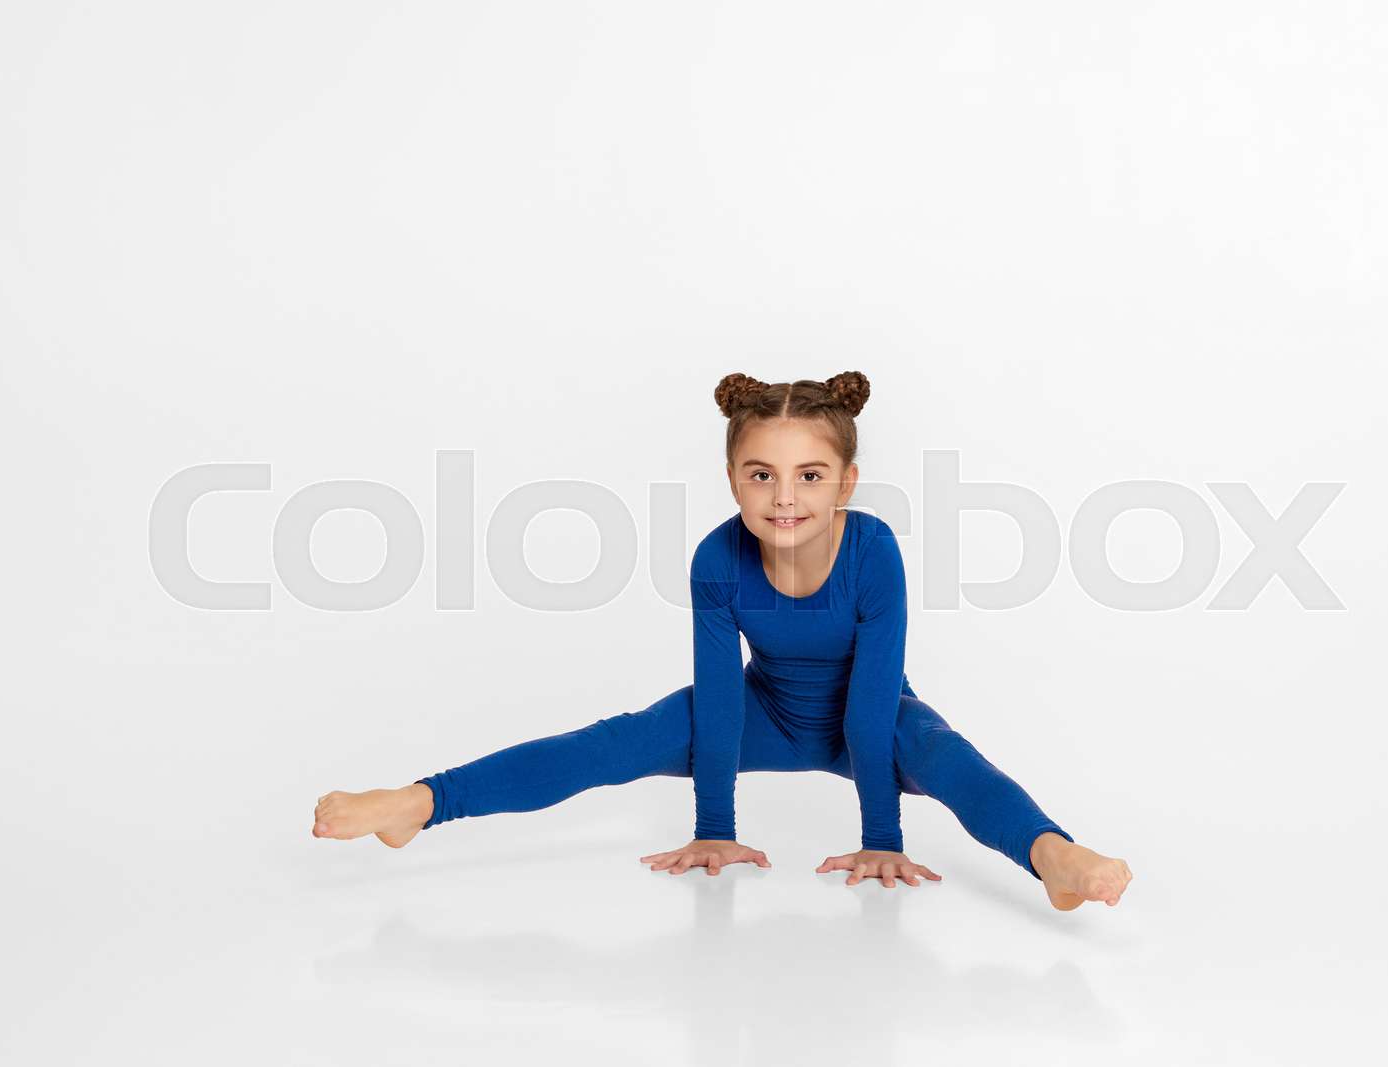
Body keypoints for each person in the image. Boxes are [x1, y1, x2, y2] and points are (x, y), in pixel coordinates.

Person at [312, 372, 1133, 909]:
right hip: (761, 713)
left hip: (876, 723)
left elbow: (875, 699)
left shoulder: (873, 549)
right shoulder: (717, 558)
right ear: (732, 477)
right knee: (611, 742)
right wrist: (713, 822)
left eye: (809, 476)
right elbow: (715, 692)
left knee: (950, 757)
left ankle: (1051, 857)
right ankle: (418, 803)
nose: (783, 498)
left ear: (846, 482)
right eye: (760, 474)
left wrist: (881, 837)